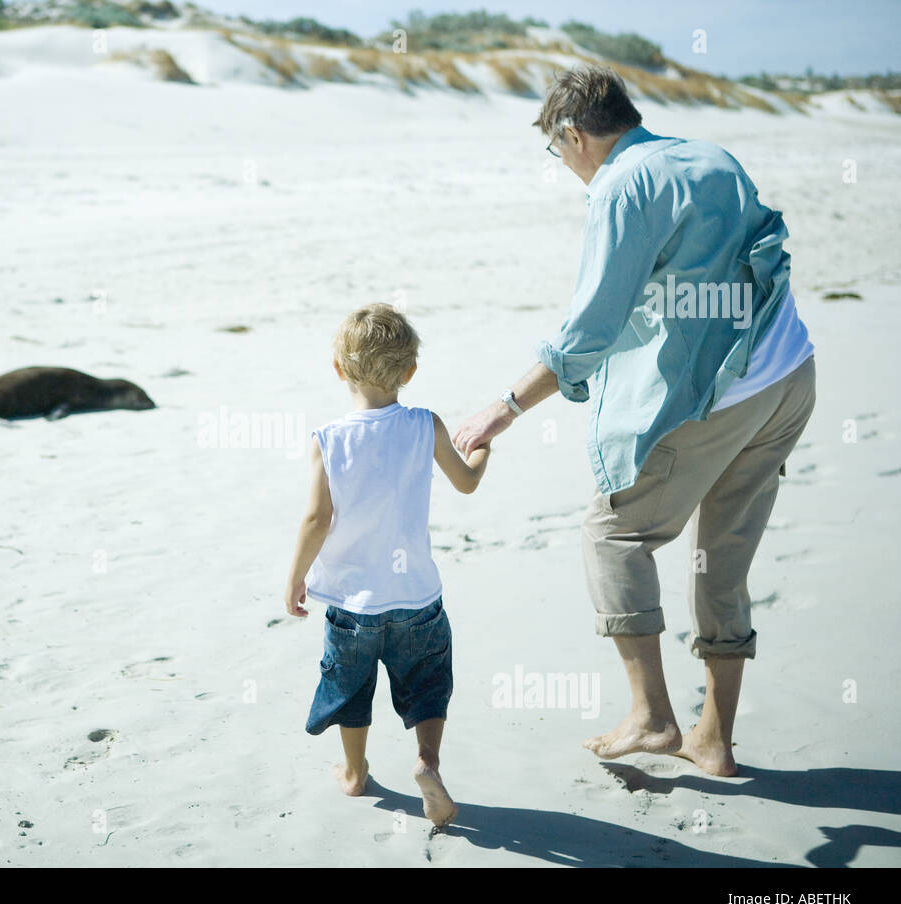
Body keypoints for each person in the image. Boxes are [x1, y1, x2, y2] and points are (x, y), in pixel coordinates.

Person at [453, 65, 816, 777]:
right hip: (790, 372)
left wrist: (506, 406)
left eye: (558, 154)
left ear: (574, 135)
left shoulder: (622, 184)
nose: (566, 169)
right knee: (721, 559)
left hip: (730, 391)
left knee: (613, 531)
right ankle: (713, 740)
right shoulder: (709, 155)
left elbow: (590, 326)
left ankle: (652, 716)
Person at [285, 302, 490, 827]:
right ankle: (427, 761)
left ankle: (354, 773)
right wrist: (482, 448)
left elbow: (316, 518)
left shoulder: (328, 440)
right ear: (409, 372)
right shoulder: (425, 424)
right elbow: (466, 482)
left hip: (352, 603)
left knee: (350, 689)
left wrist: (295, 578)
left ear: (338, 370)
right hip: (417, 598)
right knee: (426, 683)